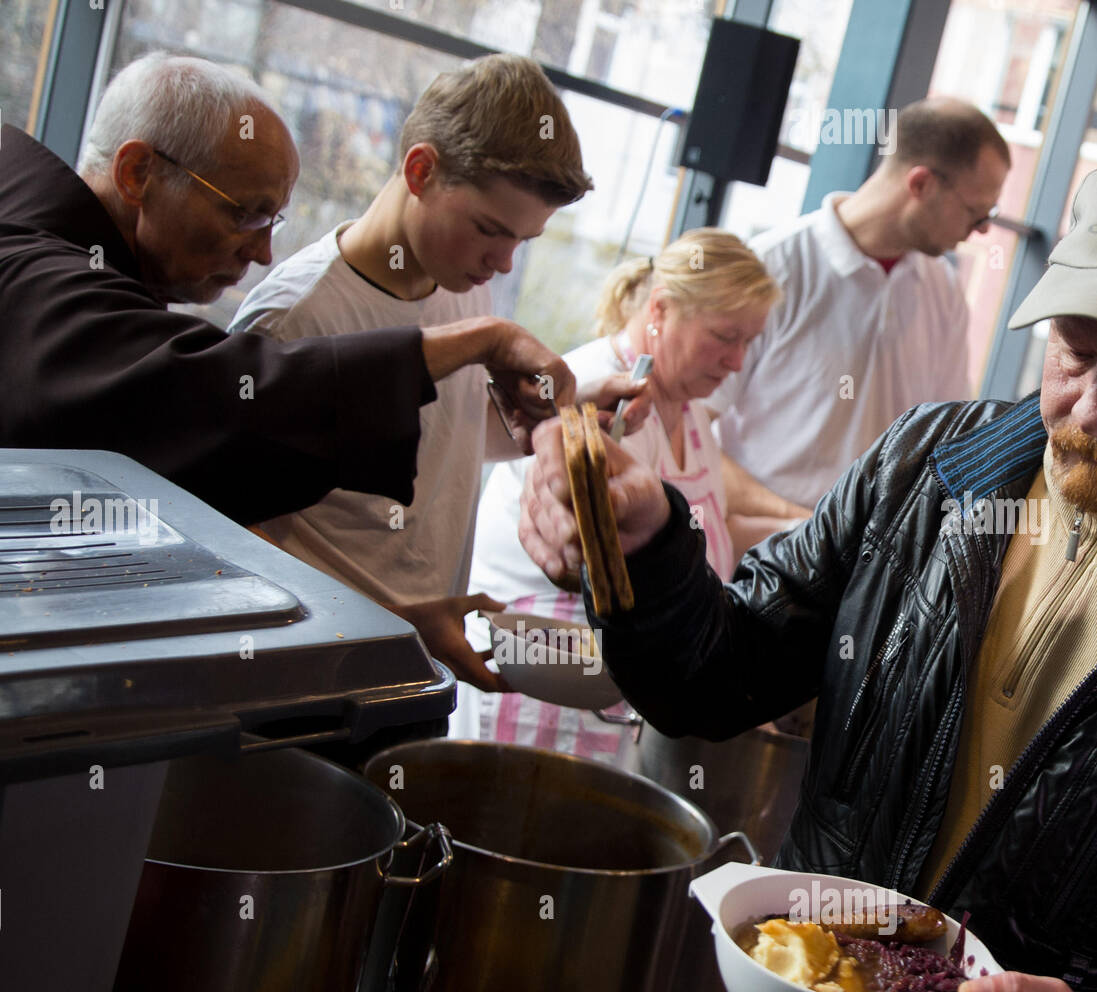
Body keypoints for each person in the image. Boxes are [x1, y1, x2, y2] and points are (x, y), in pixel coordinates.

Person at [518, 170, 1097, 992]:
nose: (1087, 407)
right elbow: (719, 669)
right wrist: (642, 551)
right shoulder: (930, 469)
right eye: (1075, 345)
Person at [0, 54, 573, 527]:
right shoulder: (35, 274)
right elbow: (215, 401)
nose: (263, 253)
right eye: (245, 215)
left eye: (271, 222)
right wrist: (481, 340)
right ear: (137, 173)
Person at [229, 55, 635, 691]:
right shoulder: (295, 318)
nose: (502, 264)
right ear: (420, 171)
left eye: (522, 243)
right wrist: (391, 622)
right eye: (490, 231)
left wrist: (555, 414)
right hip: (305, 689)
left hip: (413, 674)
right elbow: (231, 550)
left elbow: (428, 441)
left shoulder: (458, 277)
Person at [458, 228, 809, 756]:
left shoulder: (689, 415)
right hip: (552, 675)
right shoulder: (603, 393)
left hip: (625, 683)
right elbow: (604, 557)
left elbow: (711, 531)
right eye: (724, 336)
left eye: (748, 341)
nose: (737, 361)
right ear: (661, 310)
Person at [709, 97, 1010, 510]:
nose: (982, 230)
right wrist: (804, 530)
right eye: (976, 212)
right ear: (920, 184)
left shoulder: (943, 288)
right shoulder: (770, 267)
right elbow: (691, 433)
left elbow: (949, 442)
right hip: (755, 552)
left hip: (865, 562)